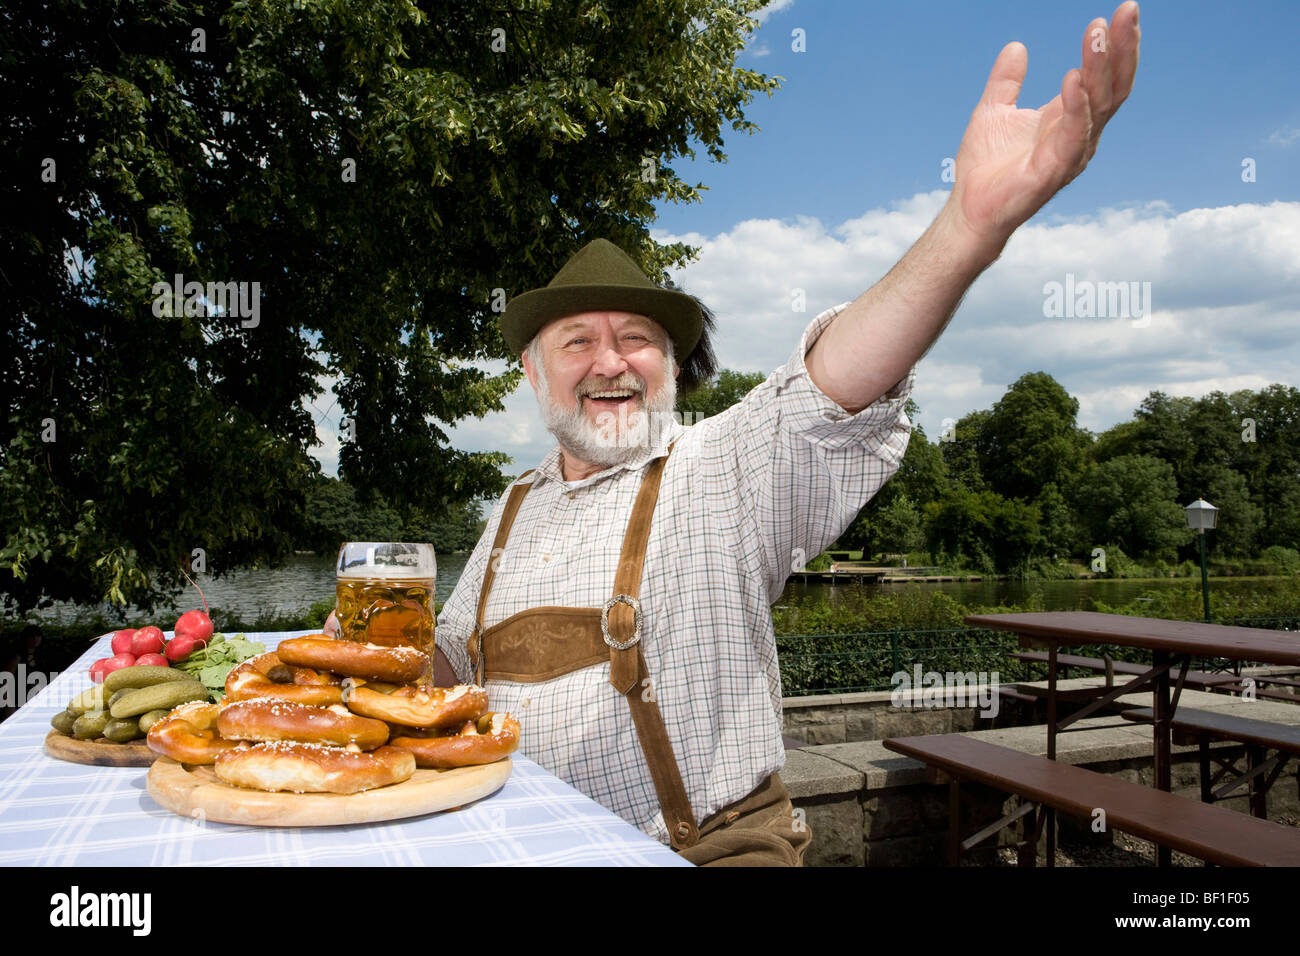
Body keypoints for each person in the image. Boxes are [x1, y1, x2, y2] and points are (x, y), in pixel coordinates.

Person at [331, 4, 1141, 865]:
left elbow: (833, 389)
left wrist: (968, 229)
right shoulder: (512, 507)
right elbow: (450, 667)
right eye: (577, 341)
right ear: (535, 373)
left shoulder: (721, 465)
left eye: (638, 338)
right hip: (516, 843)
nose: (610, 361)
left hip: (703, 852)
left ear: (671, 366)